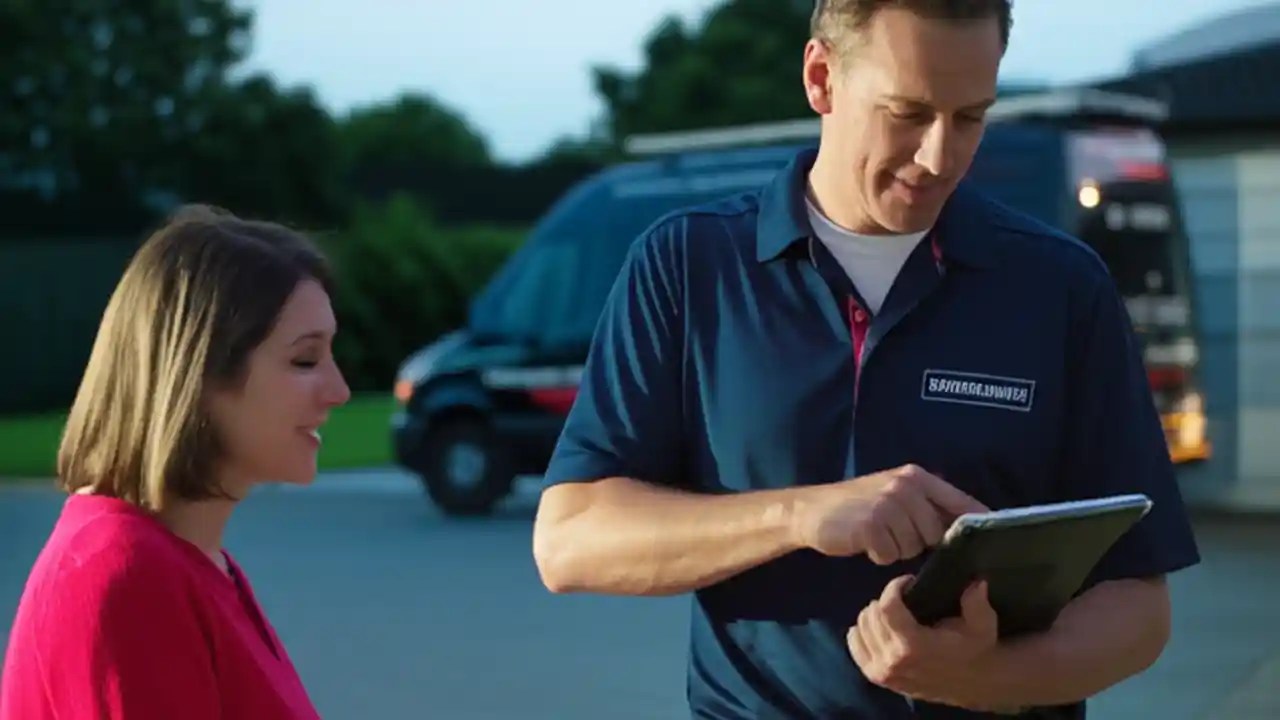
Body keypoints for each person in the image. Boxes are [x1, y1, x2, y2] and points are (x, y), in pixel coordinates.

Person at [531, 1, 1201, 717]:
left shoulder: (1062, 287)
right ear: (821, 78)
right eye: (907, 113)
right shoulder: (689, 267)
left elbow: (1137, 606)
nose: (940, 156)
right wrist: (799, 515)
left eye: (970, 116)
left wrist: (980, 681)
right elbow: (571, 541)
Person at [0, 205, 351, 720]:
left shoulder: (193, 562)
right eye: (304, 360)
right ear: (198, 373)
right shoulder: (124, 577)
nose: (339, 391)